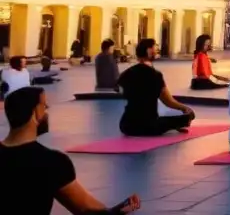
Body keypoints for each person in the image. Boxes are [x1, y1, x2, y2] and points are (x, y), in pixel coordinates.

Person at [0, 86, 141, 214]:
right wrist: (122, 209)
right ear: (36, 112)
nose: (47, 113)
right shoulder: (51, 162)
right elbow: (86, 209)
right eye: (45, 107)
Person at [117, 39, 195, 136]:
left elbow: (121, 91)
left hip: (126, 126)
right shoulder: (156, 75)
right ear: (149, 51)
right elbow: (168, 101)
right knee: (188, 116)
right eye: (155, 48)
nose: (157, 51)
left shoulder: (126, 74)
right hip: (149, 127)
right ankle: (180, 122)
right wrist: (185, 108)